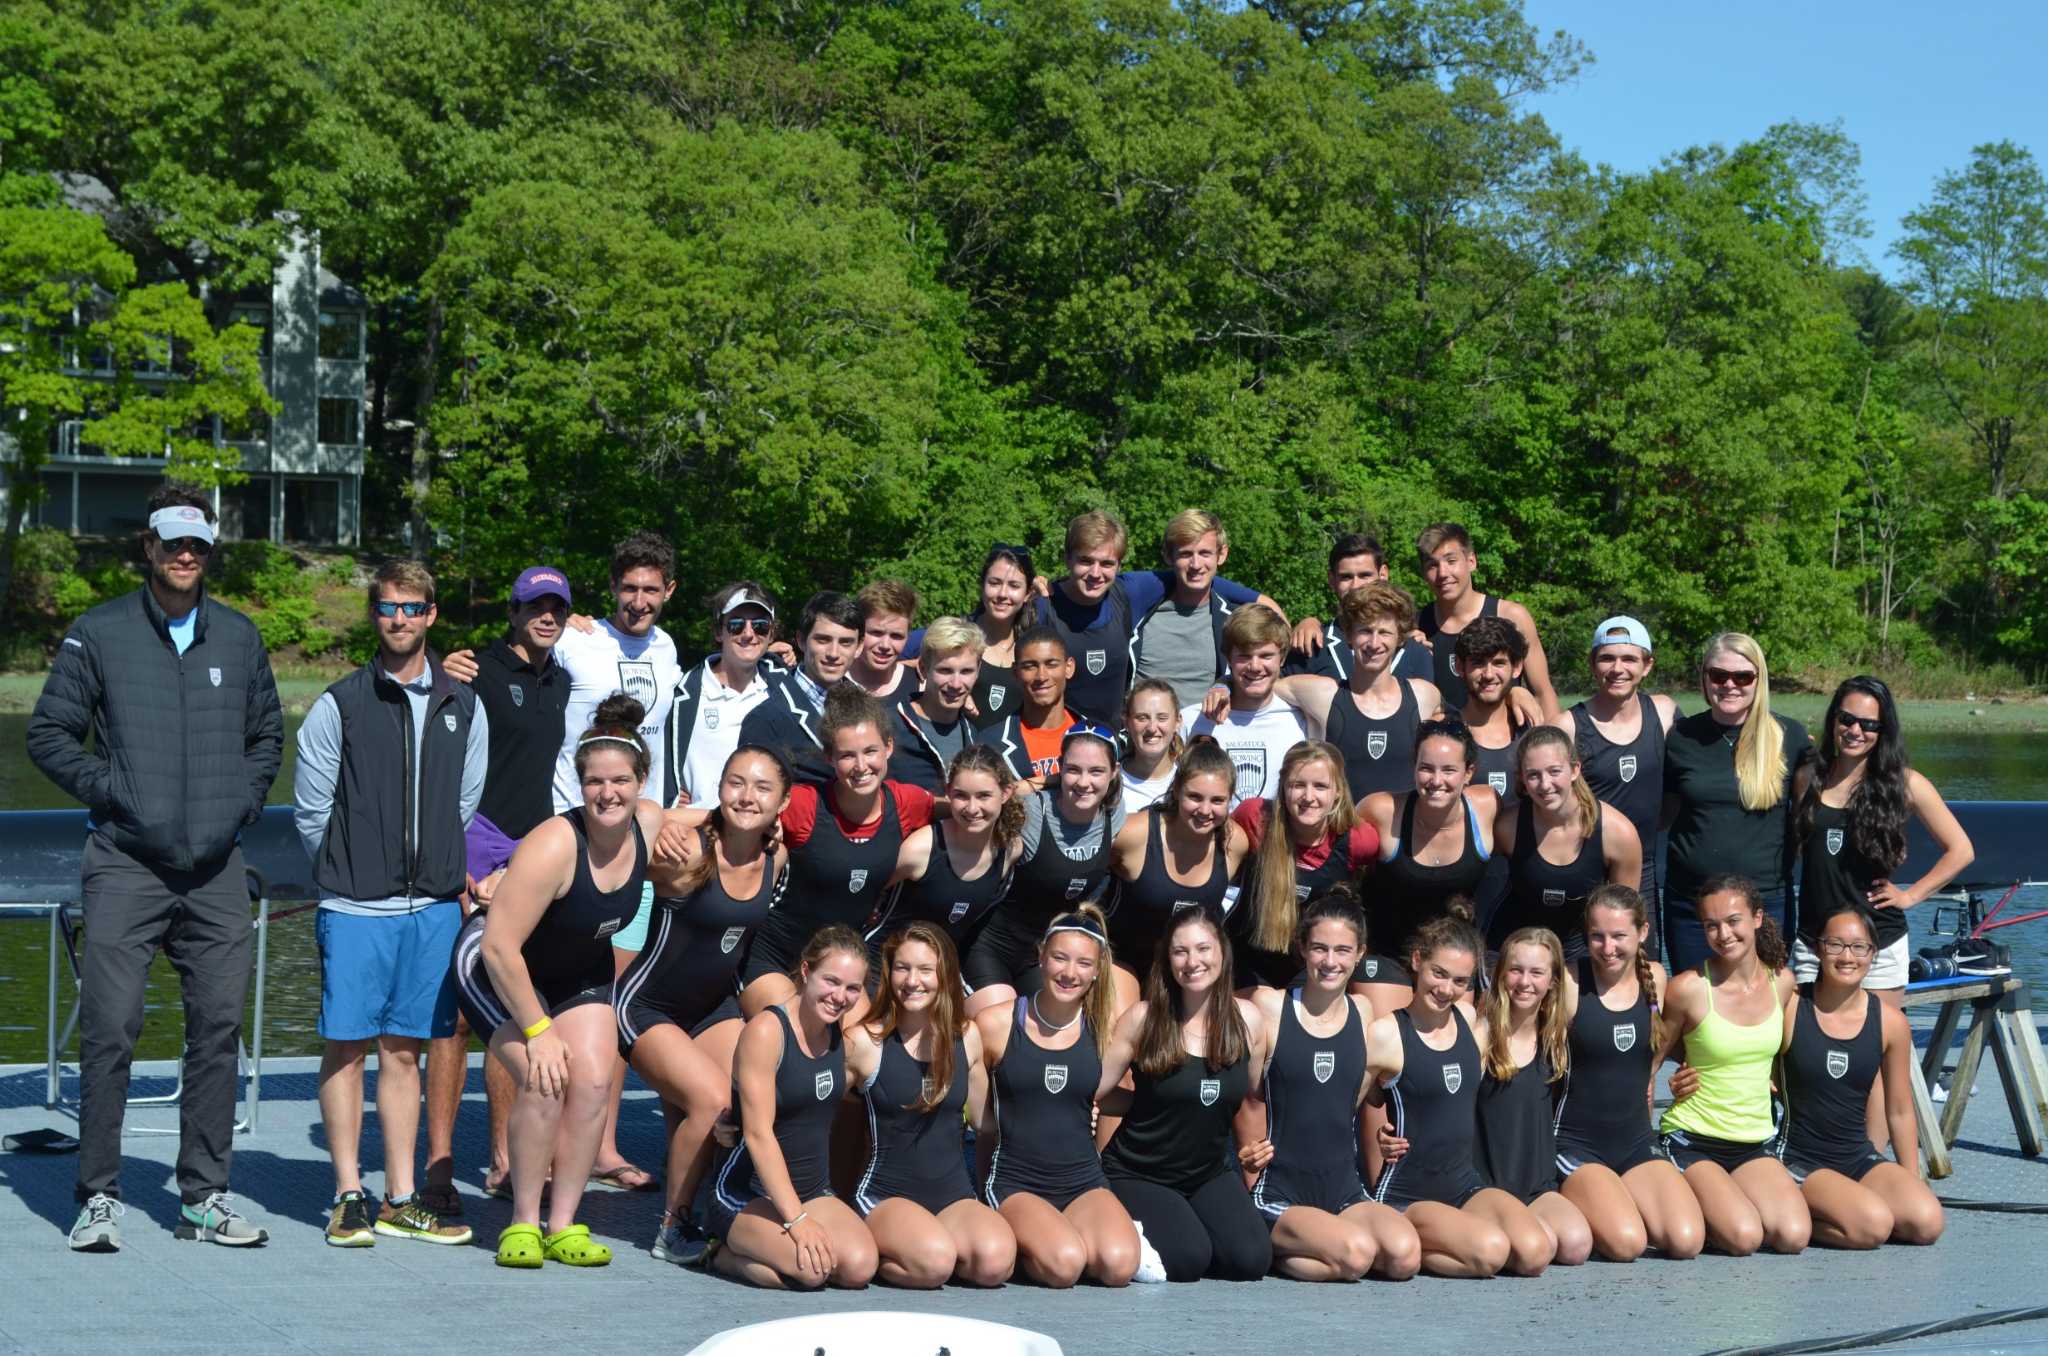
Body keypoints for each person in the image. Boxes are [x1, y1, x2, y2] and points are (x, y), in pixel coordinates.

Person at [30, 484, 283, 1252]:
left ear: (209, 551)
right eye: (172, 542)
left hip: (214, 871)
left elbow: (266, 737)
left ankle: (203, 1197)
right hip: (125, 865)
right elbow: (50, 734)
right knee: (110, 1030)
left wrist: (236, 805)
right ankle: (98, 1196)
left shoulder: (238, 638)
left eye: (197, 545)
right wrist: (116, 793)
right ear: (148, 546)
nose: (184, 555)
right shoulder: (99, 632)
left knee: (217, 1031)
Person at [294, 560, 487, 1249]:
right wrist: (353, 870)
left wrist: (428, 864)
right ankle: (348, 1192)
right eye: (387, 608)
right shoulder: (338, 704)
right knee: (346, 1049)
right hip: (354, 908)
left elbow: (463, 803)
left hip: (432, 908)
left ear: (432, 615)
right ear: (374, 616)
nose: (399, 619)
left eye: (412, 608)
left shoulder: (464, 704)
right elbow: (312, 812)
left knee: (405, 1052)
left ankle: (400, 1195)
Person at [451, 696, 662, 1267]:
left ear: (642, 781)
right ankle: (522, 1220)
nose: (608, 793)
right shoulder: (553, 844)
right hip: (498, 967)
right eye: (594, 782)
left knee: (593, 1083)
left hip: (576, 968)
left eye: (621, 780)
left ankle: (564, 1222)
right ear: (580, 785)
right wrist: (538, 1030)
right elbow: (498, 946)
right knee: (547, 1077)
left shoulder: (649, 821)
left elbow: (702, 825)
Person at [614, 744, 791, 1265]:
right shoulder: (685, 850)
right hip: (647, 1007)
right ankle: (673, 1226)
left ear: (782, 801)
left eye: (762, 787)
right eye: (736, 782)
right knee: (712, 1100)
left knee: (756, 1084)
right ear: (719, 788)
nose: (747, 796)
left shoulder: (777, 857)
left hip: (711, 1009)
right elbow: (617, 833)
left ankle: (730, 1201)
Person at [434, 564, 575, 1211]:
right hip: (476, 843)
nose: (546, 616)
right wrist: (459, 856)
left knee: (515, 1005)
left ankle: (502, 1159)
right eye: (535, 606)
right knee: (455, 1015)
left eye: (558, 608)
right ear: (514, 612)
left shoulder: (563, 678)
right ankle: (437, 1164)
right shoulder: (475, 671)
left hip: (534, 850)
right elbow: (439, 761)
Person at [1239, 890, 1423, 1281]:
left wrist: (1388, 1137)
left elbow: (1357, 1100)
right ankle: (1268, 1244)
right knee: (1356, 1256)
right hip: (1281, 1189)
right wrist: (1245, 1155)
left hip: (1343, 1189)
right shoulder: (1271, 1007)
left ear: (1359, 954)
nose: (1330, 961)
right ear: (1302, 948)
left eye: (1342, 950)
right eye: (1320, 948)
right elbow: (1249, 1095)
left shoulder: (1363, 1011)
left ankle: (1321, 1244)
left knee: (1404, 1256)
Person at [1361, 903, 1552, 1277]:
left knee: (1535, 1252)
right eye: (1439, 973)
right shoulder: (1386, 1034)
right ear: (1417, 961)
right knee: (1492, 1251)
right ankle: (1402, 1239)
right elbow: (1355, 1103)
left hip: (1465, 1186)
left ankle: (1432, 1244)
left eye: (1460, 981)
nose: (1446, 989)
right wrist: (1380, 1134)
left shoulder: (1470, 1023)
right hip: (1409, 1192)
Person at [1095, 910, 1274, 1282]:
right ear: (1167, 961)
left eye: (1203, 948)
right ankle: (1114, 1223)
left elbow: (1250, 1099)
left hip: (1207, 1172)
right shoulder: (1143, 1020)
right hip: (1139, 1171)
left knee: (1251, 1260)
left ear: (1222, 954)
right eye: (1180, 952)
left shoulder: (1250, 1022)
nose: (1193, 962)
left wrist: (1252, 1157)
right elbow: (1093, 1090)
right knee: (1188, 1259)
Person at [732, 685, 937, 1006]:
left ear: (889, 747)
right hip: (773, 959)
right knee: (795, 1032)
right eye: (846, 755)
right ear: (829, 758)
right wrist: (669, 826)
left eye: (870, 751)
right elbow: (731, 815)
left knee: (860, 1045)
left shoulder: (906, 802)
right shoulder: (803, 805)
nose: (861, 765)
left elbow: (961, 808)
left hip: (840, 969)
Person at [975, 908, 1140, 1287]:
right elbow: (981, 1120)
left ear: (1098, 970)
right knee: (1065, 1265)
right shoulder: (996, 1025)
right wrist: (984, 1191)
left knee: (1119, 1266)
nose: (1070, 973)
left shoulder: (1103, 1034)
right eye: (1060, 958)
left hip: (1081, 1179)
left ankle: (1059, 1236)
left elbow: (1114, 1098)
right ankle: (1029, 1238)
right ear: (1041, 956)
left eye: (1084, 963)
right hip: (1016, 1181)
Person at [707, 926, 879, 1289]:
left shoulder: (841, 1032)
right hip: (746, 1191)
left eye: (852, 988)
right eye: (831, 981)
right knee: (811, 1271)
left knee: (859, 1266)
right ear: (805, 972)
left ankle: (772, 1242)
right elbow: (757, 1134)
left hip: (813, 1190)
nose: (840, 997)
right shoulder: (767, 1032)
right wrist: (797, 1220)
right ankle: (718, 1252)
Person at [1791, 676, 1973, 1018]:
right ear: (1833, 720)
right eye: (1847, 719)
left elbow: (1961, 849)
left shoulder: (1905, 784)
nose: (1855, 730)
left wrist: (1910, 896)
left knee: (1875, 1049)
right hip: (1814, 942)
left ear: (1883, 730)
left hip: (1879, 942)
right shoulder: (1807, 777)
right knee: (1810, 1052)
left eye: (1869, 724)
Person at [846, 924, 1017, 1287]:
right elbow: (811, 1102)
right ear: (889, 972)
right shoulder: (864, 1042)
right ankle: (880, 1247)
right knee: (936, 1264)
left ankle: (926, 1245)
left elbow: (987, 1121)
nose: (912, 981)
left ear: (946, 976)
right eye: (902, 968)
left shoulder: (967, 1037)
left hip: (952, 1195)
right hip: (884, 1195)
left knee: (996, 1261)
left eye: (926, 970)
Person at [1654, 876, 1810, 1256]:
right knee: (1744, 1238)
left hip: (1753, 1142)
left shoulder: (1783, 983)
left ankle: (1725, 1202)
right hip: (1694, 1138)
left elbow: (1778, 1056)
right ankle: (1691, 1201)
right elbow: (1653, 1057)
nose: (1723, 934)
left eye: (1733, 920)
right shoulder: (1688, 988)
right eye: (1711, 925)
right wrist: (1681, 1076)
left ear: (1757, 918)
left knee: (1793, 1236)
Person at [1774, 902, 1944, 1248]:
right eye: (1834, 944)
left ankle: (1847, 1205)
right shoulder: (1790, 1007)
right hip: (1797, 1157)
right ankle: (1787, 1213)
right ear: (1818, 948)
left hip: (1856, 1155)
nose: (1846, 957)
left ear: (1873, 953)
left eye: (1858, 947)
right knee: (1872, 1227)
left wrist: (1909, 1177)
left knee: (1927, 1223)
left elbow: (1898, 1109)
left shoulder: (1891, 1023)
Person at [1554, 884, 1704, 1262]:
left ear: (1643, 933)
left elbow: (1662, 1044)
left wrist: (1672, 1076)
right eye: (1597, 936)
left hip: (1635, 1142)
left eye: (1619, 936)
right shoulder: (1570, 983)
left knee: (1686, 1241)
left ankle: (1615, 1197)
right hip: (1576, 1145)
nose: (1608, 949)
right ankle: (1576, 1195)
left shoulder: (1655, 976)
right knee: (1627, 1244)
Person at [1661, 634, 1812, 972]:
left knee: (1764, 1008)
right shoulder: (1681, 737)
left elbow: (1826, 806)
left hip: (1766, 903)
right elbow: (1660, 812)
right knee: (1695, 1008)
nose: (1729, 685)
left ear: (1759, 680)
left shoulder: (1791, 737)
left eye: (1742, 677)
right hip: (1691, 907)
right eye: (1718, 675)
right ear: (1704, 678)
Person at [1031, 509, 1270, 722]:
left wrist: (1271, 606)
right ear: (1067, 559)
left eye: (1106, 563)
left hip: (1190, 743)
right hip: (1089, 741)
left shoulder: (1129, 592)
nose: (1096, 572)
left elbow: (1202, 579)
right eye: (1086, 561)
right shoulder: (1045, 605)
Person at [961, 725, 1125, 1017]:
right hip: (989, 947)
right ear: (1058, 768)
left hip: (1044, 957)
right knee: (1004, 1022)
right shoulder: (1031, 813)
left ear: (1114, 772)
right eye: (1073, 769)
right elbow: (990, 797)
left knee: (1054, 1028)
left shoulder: (1115, 814)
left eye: (1096, 771)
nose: (1084, 782)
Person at [1233, 583, 1442, 803]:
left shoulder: (1423, 695)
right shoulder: (1323, 694)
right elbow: (1257, 682)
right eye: (1365, 631)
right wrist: (1222, 685)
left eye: (1384, 633)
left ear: (1399, 639)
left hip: (1401, 834)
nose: (1374, 642)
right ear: (1349, 636)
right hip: (1343, 832)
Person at [1353, 720, 1499, 1016]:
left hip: (1453, 961)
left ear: (1468, 772)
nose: (1436, 780)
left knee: (1448, 1043)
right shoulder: (1381, 811)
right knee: (1388, 1040)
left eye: (1449, 770)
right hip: (1387, 953)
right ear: (1414, 766)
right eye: (1426, 768)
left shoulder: (1487, 808)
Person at [1470, 929, 1593, 1265]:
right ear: (1500, 975)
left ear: (1553, 981)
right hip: (1489, 1184)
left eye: (1537, 972)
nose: (1525, 982)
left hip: (1536, 1184)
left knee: (1577, 1245)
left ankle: (1520, 1230)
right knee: (1539, 1249)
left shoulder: (1554, 1037)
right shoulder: (1483, 1035)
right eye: (1515, 970)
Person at [1105, 740, 1253, 1012]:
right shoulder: (1134, 835)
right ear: (1175, 790)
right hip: (1125, 958)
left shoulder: (1234, 844)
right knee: (1125, 1021)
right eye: (1195, 797)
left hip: (1189, 966)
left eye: (1218, 800)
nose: (1205, 810)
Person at [545, 533, 682, 815]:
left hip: (640, 818)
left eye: (651, 590)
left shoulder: (666, 646)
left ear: (669, 590)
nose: (639, 602)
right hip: (574, 814)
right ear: (613, 586)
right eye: (630, 588)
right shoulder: (573, 639)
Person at [1563, 616, 1678, 943]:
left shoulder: (1665, 714)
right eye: (1607, 658)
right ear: (1592, 663)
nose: (1617, 668)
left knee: (1642, 966)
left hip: (1645, 867)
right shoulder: (1569, 726)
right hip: (1587, 868)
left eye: (1629, 658)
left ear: (1647, 665)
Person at [1228, 742, 1379, 989]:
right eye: (1298, 785)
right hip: (1249, 960)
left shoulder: (1359, 840)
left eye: (1320, 786)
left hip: (1317, 968)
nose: (1308, 797)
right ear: (1284, 787)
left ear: (1338, 792)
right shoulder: (1255, 818)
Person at [1490, 727, 1642, 959]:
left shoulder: (1618, 833)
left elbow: (1625, 918)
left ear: (1574, 769)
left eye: (1554, 771)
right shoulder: (1507, 827)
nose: (1545, 784)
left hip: (1581, 954)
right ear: (1521, 778)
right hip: (1519, 951)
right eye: (1533, 775)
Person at [1133, 509, 1283, 710]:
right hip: (1147, 735)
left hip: (1209, 735)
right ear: (1168, 557)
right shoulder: (1137, 614)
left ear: (1221, 555)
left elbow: (1264, 673)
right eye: (1186, 554)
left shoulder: (1235, 621)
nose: (1196, 564)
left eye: (1205, 553)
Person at [1412, 523, 1559, 719]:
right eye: (1432, 565)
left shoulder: (1511, 616)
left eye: (1451, 561)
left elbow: (1542, 692)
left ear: (1471, 561)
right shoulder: (1415, 625)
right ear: (1423, 573)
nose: (1443, 573)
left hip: (1505, 744)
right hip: (1446, 743)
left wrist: (1556, 746)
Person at [891, 745, 1026, 954]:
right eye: (961, 796)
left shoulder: (1010, 849)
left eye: (983, 796)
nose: (972, 808)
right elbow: (873, 899)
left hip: (945, 965)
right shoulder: (920, 849)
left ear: (1006, 793)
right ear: (948, 793)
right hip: (892, 958)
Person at [1179, 605, 1312, 807]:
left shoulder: (1302, 719)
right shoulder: (1193, 720)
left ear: (1282, 658)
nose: (1255, 666)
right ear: (1229, 658)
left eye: (1266, 656)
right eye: (1244, 656)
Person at [667, 582, 781, 811]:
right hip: (696, 829)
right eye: (736, 625)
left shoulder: (783, 691)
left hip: (759, 830)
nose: (748, 634)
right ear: (718, 631)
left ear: (771, 634)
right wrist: (667, 792)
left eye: (760, 626)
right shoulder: (681, 692)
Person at [737, 590, 864, 787]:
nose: (834, 653)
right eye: (823, 640)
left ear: (859, 647)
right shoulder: (766, 716)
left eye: (845, 643)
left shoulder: (868, 709)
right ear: (801, 640)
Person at [900, 544, 1034, 727]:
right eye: (994, 583)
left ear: (1027, 593)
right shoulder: (952, 635)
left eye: (1014, 586)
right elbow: (889, 663)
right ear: (982, 585)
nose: (1003, 594)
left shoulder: (1032, 648)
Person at [1285, 533, 1434, 683]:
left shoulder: (1414, 650)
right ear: (1332, 580)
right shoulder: (1311, 646)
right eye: (1346, 577)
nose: (1355, 586)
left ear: (1383, 574)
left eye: (1364, 575)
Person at [887, 616, 989, 792]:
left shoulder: (973, 734)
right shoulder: (887, 726)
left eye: (966, 671)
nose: (956, 684)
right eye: (945, 670)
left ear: (978, 671)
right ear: (923, 669)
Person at [985, 626, 1081, 783]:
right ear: (1015, 673)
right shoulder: (991, 745)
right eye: (1030, 666)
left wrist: (1031, 786)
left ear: (1068, 668)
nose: (1041, 676)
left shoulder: (1096, 736)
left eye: (1051, 664)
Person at [1117, 678, 1182, 815]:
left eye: (1162, 718)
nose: (1152, 728)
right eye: (1142, 718)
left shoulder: (1189, 780)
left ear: (1178, 722)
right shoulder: (1109, 783)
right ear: (1126, 722)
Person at [849, 579, 922, 700]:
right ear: (858, 630)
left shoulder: (921, 688)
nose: (885, 645)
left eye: (896, 636)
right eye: (876, 633)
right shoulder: (833, 681)